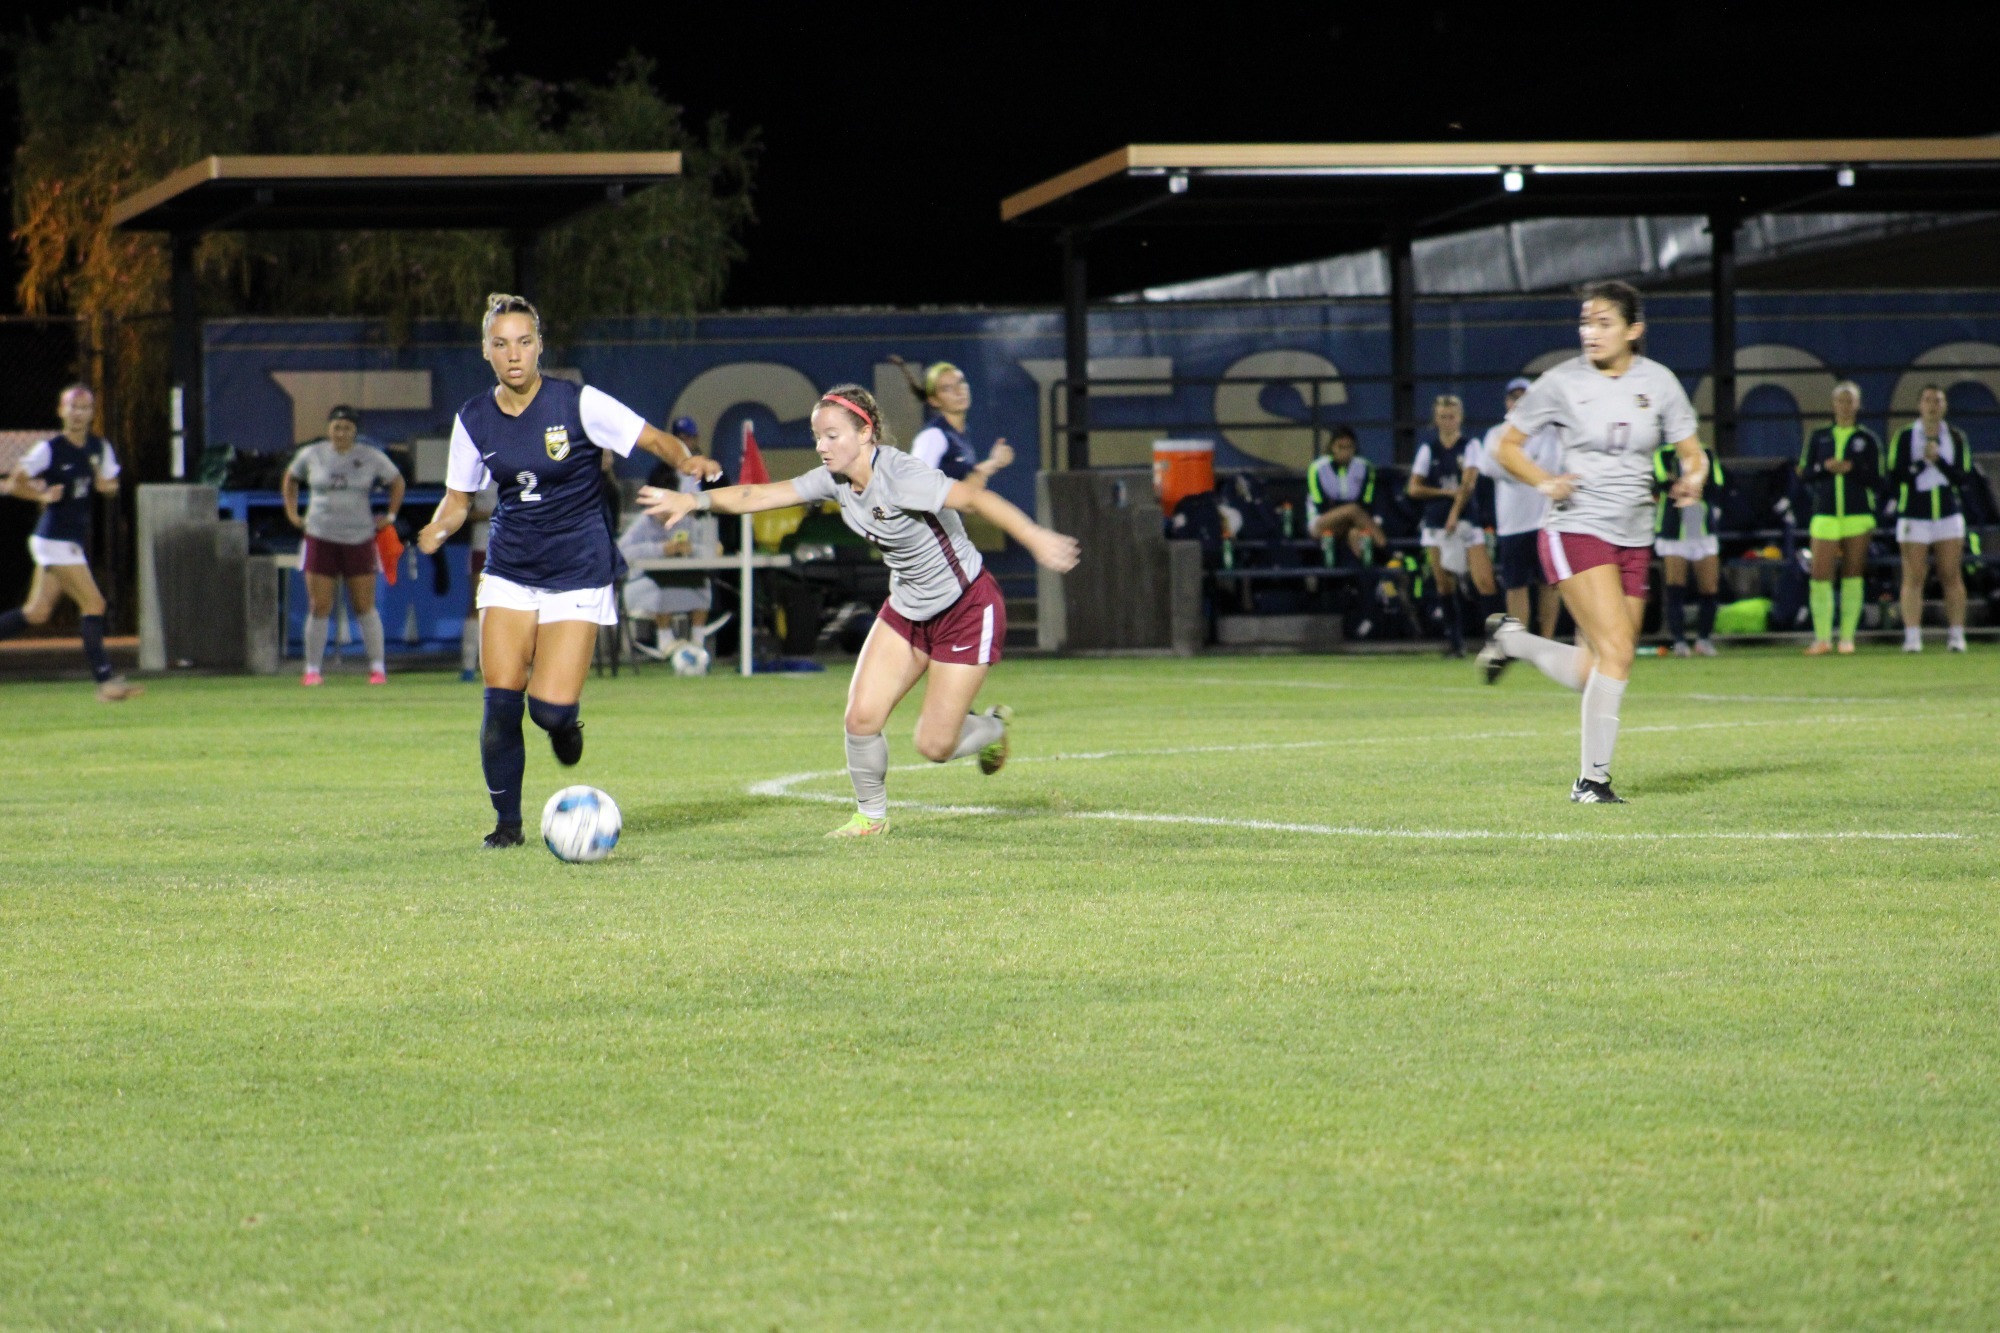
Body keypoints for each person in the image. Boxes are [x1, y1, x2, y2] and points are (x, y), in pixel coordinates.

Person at [638, 383, 1079, 838]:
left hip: (964, 608)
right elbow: (762, 496)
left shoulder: (901, 475)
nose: (821, 446)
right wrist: (694, 500)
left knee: (934, 745)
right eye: (817, 437)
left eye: (832, 436)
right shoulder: (833, 479)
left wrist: (1035, 537)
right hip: (906, 609)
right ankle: (871, 818)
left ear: (865, 433)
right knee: (861, 718)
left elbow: (974, 498)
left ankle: (991, 728)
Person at [416, 292, 721, 849]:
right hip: (510, 567)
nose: (514, 354)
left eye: (524, 342)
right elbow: (458, 499)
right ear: (485, 350)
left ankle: (563, 723)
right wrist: (439, 527)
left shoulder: (578, 403)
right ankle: (507, 827)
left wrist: (687, 460)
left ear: (540, 346)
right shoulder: (474, 418)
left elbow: (653, 438)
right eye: (501, 344)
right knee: (500, 701)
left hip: (578, 567)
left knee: (549, 710)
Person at [1476, 280, 1707, 804]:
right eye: (1585, 322)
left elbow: (1693, 453)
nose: (1591, 332)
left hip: (1635, 535)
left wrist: (1693, 477)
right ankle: (1590, 782)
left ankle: (1513, 642)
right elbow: (1506, 447)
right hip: (1575, 527)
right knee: (1619, 651)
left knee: (1599, 668)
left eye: (1604, 323)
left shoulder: (1660, 382)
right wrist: (1544, 482)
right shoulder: (1562, 381)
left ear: (1634, 329)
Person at [0, 384, 143, 701]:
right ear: (61, 411)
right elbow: (13, 483)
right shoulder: (50, 449)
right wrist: (41, 495)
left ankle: (106, 683)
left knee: (36, 613)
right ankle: (106, 683)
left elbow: (111, 485)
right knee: (94, 604)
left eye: (85, 408)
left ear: (92, 413)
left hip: (67, 540)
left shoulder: (99, 447)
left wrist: (106, 486)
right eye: (72, 407)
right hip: (54, 538)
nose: (78, 413)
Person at [282, 404, 405, 685]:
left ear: (355, 431)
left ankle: (377, 668)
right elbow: (291, 478)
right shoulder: (313, 454)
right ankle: (312, 670)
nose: (341, 433)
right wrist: (292, 513)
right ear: (329, 429)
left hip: (358, 537)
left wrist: (390, 516)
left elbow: (397, 481)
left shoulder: (370, 456)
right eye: (337, 427)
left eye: (347, 428)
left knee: (364, 604)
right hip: (320, 534)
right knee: (319, 605)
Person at [1885, 384, 1974, 652]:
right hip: (1914, 513)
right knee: (1913, 575)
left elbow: (1963, 477)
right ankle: (1913, 637)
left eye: (1937, 400)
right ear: (1919, 405)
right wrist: (1922, 461)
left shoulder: (1956, 437)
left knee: (1951, 574)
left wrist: (1940, 461)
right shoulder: (1905, 436)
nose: (1932, 405)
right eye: (1927, 400)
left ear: (1944, 406)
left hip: (1947, 513)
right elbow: (1895, 475)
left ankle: (1956, 635)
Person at [1797, 380, 1882, 655]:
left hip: (1858, 515)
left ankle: (1847, 637)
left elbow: (1878, 479)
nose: (1845, 406)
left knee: (1852, 574)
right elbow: (1805, 472)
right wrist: (1826, 468)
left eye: (1850, 401)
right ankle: (1822, 637)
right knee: (1820, 575)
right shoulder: (1819, 436)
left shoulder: (1868, 439)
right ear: (1833, 405)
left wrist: (1851, 469)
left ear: (1857, 405)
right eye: (1840, 401)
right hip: (1825, 514)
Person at [1407, 394, 1493, 655]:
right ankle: (1456, 643)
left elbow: (1468, 484)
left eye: (1452, 416)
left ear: (1460, 418)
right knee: (1443, 583)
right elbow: (1413, 488)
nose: (1447, 421)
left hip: (1466, 521)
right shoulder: (1428, 449)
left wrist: (1455, 511)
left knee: (1484, 581)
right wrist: (1445, 493)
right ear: (1436, 419)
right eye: (1443, 417)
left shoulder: (1470, 446)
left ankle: (1496, 641)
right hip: (1435, 523)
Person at [1476, 377, 1560, 637]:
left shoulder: (1550, 432)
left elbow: (1551, 467)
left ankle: (1546, 641)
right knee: (1515, 585)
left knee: (1549, 584)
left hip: (1546, 521)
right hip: (1512, 524)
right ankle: (1521, 641)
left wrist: (1515, 466)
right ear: (1507, 402)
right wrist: (1531, 472)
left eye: (1524, 397)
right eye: (1514, 397)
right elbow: (1490, 467)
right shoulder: (1495, 434)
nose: (1519, 402)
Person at [1652, 437, 1727, 656]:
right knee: (1675, 585)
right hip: (1674, 528)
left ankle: (1703, 639)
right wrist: (1683, 486)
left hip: (1700, 525)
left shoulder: (1706, 453)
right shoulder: (1664, 454)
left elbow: (1716, 485)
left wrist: (1693, 487)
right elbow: (1662, 482)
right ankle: (1679, 641)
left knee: (1709, 587)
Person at [908, 362, 1013, 482]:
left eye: (961, 382)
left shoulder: (961, 433)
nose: (959, 391)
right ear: (934, 401)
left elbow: (966, 481)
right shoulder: (933, 436)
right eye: (947, 388)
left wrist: (994, 462)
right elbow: (915, 484)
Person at [1305, 425, 1389, 562]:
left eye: (1349, 447)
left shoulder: (1365, 467)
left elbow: (1366, 501)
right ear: (1332, 447)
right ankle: (1388, 550)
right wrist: (1346, 513)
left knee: (1355, 534)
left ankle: (1367, 573)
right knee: (1352, 510)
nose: (1345, 452)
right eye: (1340, 447)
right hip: (1320, 523)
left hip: (1351, 524)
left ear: (1354, 448)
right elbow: (1320, 503)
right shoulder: (1317, 468)